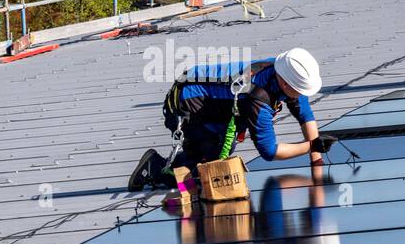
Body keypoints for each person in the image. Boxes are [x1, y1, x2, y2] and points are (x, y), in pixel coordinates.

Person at [129, 48, 337, 191]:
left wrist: (316, 160)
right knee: (210, 173)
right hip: (187, 109)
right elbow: (269, 151)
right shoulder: (258, 98)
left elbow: (305, 114)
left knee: (213, 160)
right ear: (284, 83)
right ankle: (157, 170)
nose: (301, 94)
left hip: (206, 102)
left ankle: (170, 164)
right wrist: (310, 146)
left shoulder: (281, 69)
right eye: (299, 90)